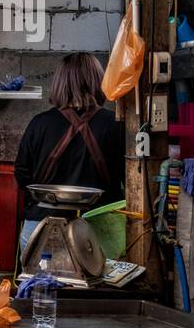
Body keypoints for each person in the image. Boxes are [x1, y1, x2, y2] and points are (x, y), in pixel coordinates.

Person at [14, 52, 124, 255]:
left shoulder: (39, 124)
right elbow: (127, 178)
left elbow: (22, 176)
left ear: (60, 84)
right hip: (98, 232)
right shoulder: (115, 125)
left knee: (39, 287)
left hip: (41, 228)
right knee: (99, 287)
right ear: (98, 81)